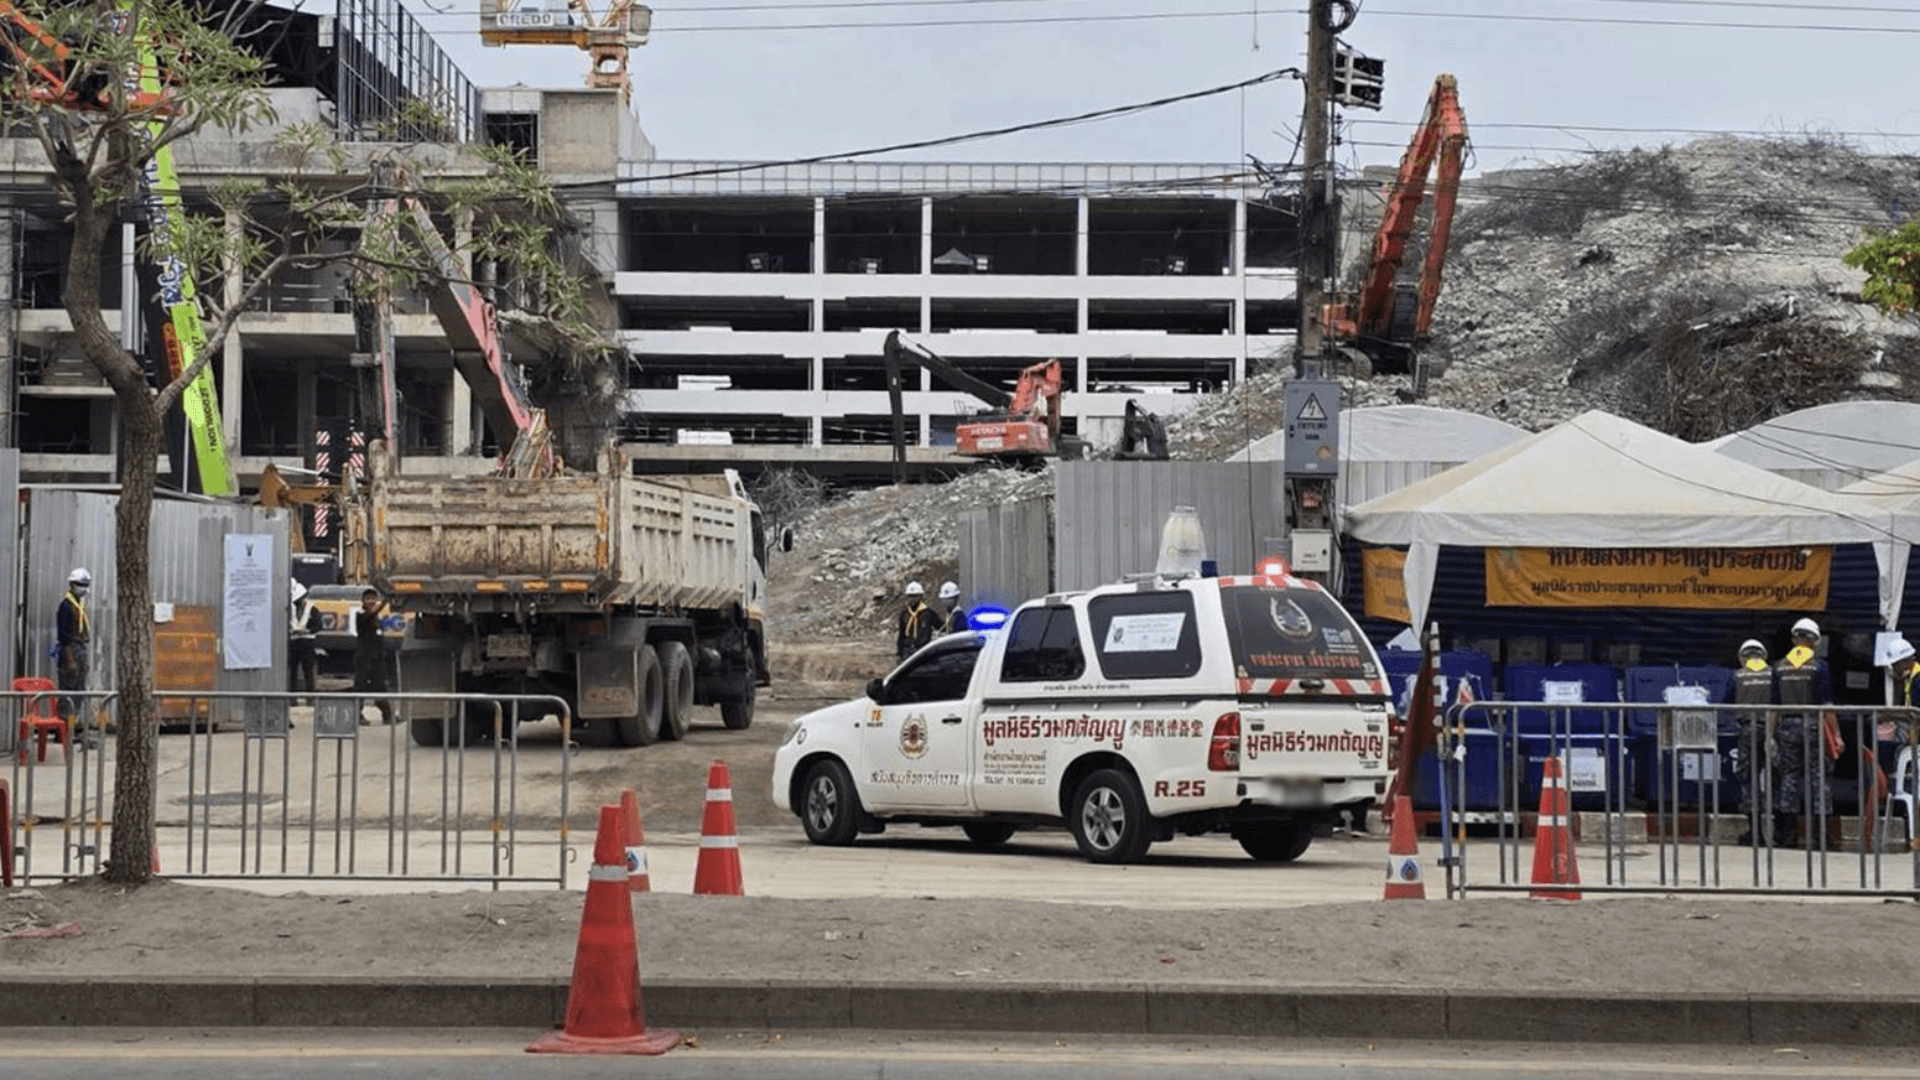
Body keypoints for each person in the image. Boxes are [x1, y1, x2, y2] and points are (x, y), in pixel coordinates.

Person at [1773, 617, 1835, 848]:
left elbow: (1774, 708)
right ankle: (1821, 838)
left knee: (1789, 778)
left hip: (1787, 727)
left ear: (1794, 639)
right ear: (1815, 641)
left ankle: (1787, 836)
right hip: (1813, 726)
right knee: (1819, 779)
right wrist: (1836, 736)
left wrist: (1771, 737)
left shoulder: (1779, 666)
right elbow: (1827, 706)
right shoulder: (1819, 666)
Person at [1727, 638, 1776, 845]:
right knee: (1779, 778)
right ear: (1763, 656)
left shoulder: (1738, 676)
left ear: (1741, 657)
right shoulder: (1774, 673)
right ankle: (1784, 832)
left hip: (1748, 731)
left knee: (1749, 780)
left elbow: (1726, 701)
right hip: (1774, 731)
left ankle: (1755, 832)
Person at [55, 567, 91, 725]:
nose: (83, 587)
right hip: (70, 650)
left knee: (79, 690)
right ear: (72, 584)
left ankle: (73, 725)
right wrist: (70, 659)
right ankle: (63, 727)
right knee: (68, 689)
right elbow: (63, 636)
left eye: (85, 584)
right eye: (80, 584)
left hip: (80, 648)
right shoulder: (66, 606)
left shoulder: (79, 604)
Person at [352, 588, 393, 724]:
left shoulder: (377, 619)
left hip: (377, 658)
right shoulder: (361, 615)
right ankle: (356, 715)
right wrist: (385, 601)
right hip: (364, 658)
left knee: (380, 686)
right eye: (368, 599)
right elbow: (370, 616)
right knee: (360, 686)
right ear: (363, 602)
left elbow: (387, 625)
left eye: (373, 599)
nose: (371, 602)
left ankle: (388, 715)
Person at [288, 580, 317, 695]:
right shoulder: (290, 610)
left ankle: (310, 697)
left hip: (307, 644)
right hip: (294, 644)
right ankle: (292, 697)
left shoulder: (311, 609)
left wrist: (308, 630)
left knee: (308, 673)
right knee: (292, 673)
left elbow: (318, 624)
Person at [895, 580, 935, 660]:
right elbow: (901, 635)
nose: (912, 599)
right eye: (910, 596)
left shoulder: (928, 613)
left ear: (920, 597)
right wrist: (900, 652)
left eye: (915, 596)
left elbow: (941, 627)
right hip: (907, 651)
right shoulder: (904, 614)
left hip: (922, 650)